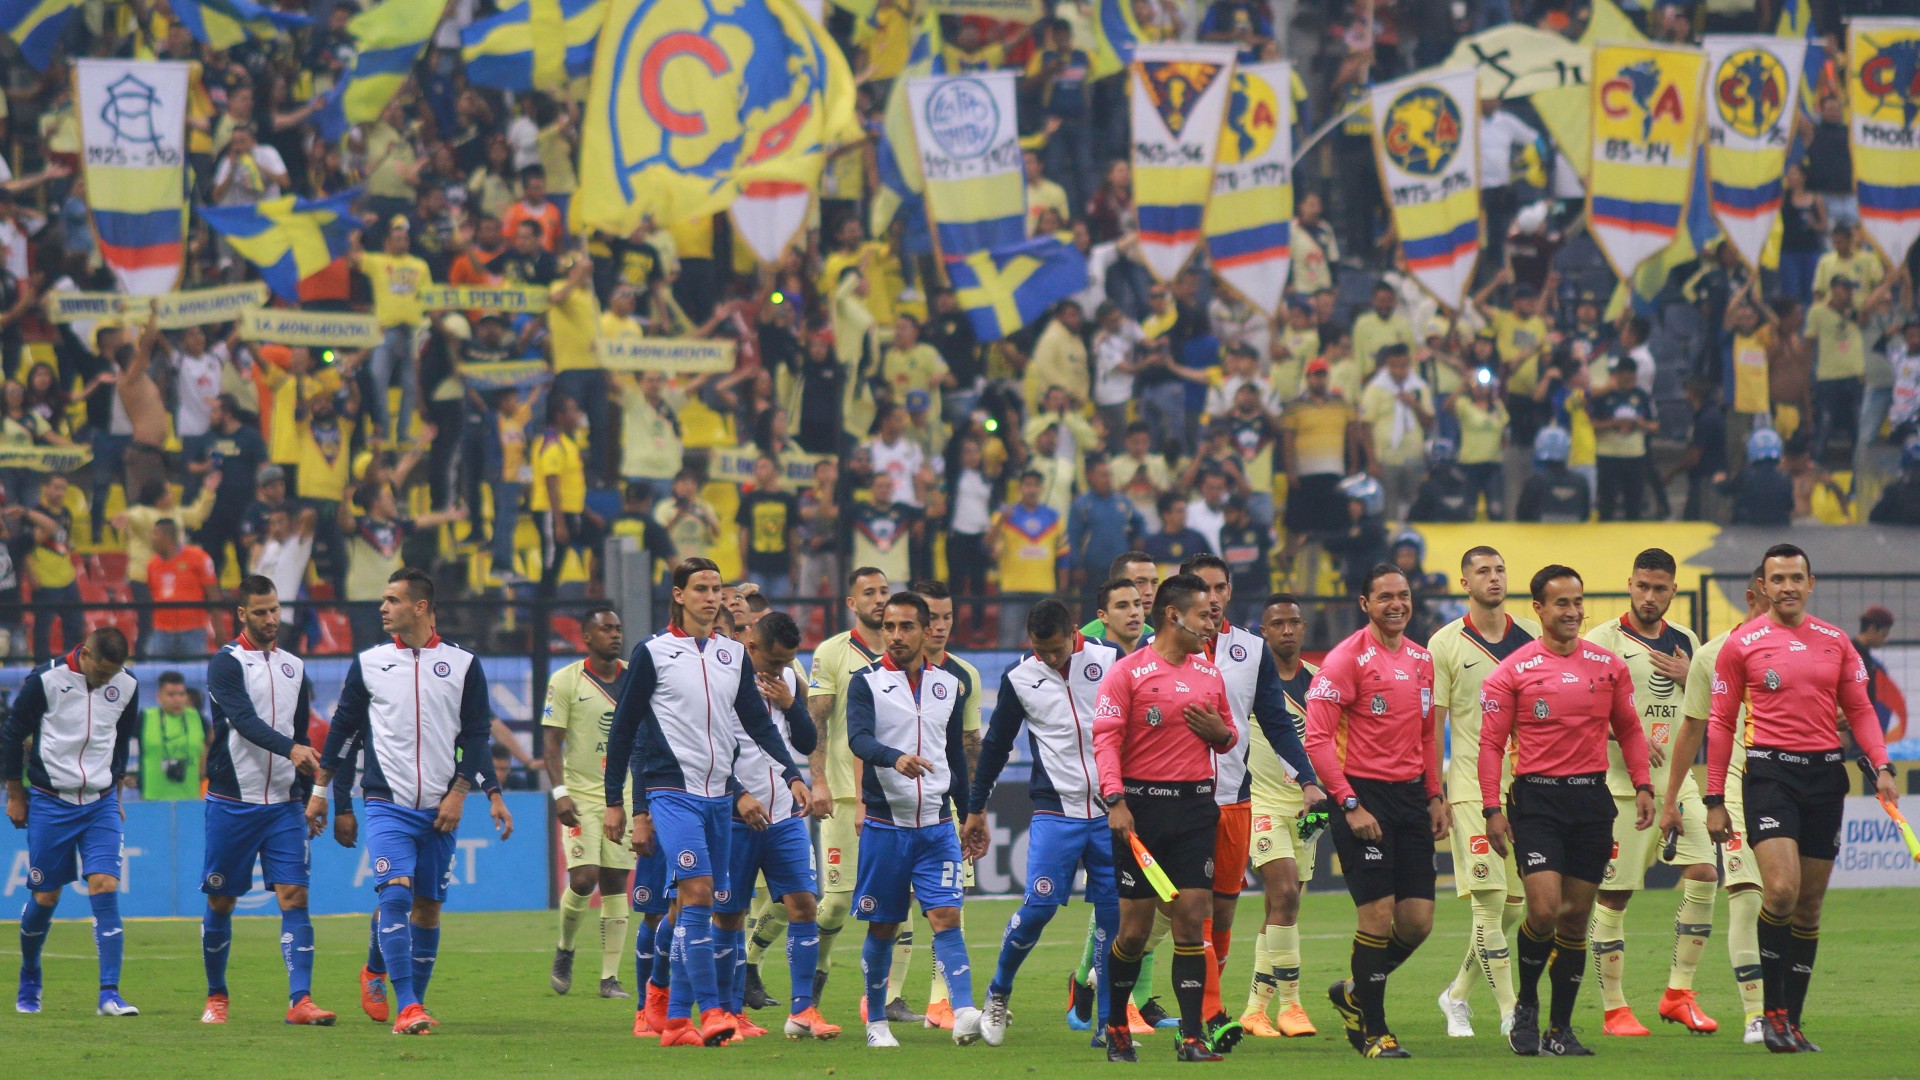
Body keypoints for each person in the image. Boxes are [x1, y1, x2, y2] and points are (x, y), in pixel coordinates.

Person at [602, 557, 808, 1048]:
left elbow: (757, 725)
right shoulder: (652, 653)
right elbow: (624, 731)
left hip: (719, 795)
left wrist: (793, 773)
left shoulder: (730, 656)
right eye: (700, 588)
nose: (711, 597)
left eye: (716, 588)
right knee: (695, 894)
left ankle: (673, 1016)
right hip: (672, 791)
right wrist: (621, 804)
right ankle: (712, 1010)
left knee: (705, 901)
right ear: (678, 594)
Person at [1705, 544, 1896, 1053]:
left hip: (1825, 776)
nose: (1787, 586)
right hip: (1769, 774)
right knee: (1783, 890)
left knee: (1809, 907)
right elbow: (1721, 723)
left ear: (1810, 584)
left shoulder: (1837, 643)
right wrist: (1713, 797)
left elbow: (1860, 710)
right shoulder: (1741, 643)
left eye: (1796, 577)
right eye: (1778, 578)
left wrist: (1882, 766)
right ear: (1763, 587)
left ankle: (1793, 1022)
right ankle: (1771, 1014)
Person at [308, 568, 513, 1035]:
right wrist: (326, 794)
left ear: (420, 607)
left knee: (427, 908)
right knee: (396, 893)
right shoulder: (369, 663)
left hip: (441, 806)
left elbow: (477, 736)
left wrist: (474, 795)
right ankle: (410, 1006)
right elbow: (342, 732)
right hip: (386, 802)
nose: (382, 607)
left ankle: (377, 970)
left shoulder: (463, 665)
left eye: (392, 599)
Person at [1478, 564, 1654, 1057]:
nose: (1573, 611)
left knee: (1576, 918)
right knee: (1543, 908)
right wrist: (1493, 807)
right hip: (1536, 801)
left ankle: (1560, 1029)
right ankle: (1527, 1006)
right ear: (1538, 609)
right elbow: (1491, 746)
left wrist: (1643, 784)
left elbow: (1631, 729)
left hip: (1591, 800)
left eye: (1578, 602)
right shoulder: (1511, 672)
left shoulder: (1608, 665)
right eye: (1562, 603)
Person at [964, 598, 1125, 1047]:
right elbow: (996, 745)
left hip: (1111, 811)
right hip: (1056, 809)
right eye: (1041, 650)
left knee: (1114, 922)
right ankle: (998, 992)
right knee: (1038, 908)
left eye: (1056, 649)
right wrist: (977, 807)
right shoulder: (1020, 676)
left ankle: (1109, 1026)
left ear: (1075, 632)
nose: (1050, 659)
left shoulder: (1110, 659)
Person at [1091, 572, 1238, 1062]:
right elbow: (1106, 740)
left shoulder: (1210, 674)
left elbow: (1228, 736)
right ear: (1175, 616)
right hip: (1143, 809)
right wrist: (1115, 800)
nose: (1212, 616)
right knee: (1132, 932)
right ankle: (1116, 1026)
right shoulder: (1127, 673)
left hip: (1195, 807)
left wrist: (1222, 733)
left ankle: (1191, 1036)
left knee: (1192, 923)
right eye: (1203, 611)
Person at [1177, 554, 1319, 1049]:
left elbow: (1276, 721)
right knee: (1160, 919)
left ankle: (1209, 1012)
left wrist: (1307, 777)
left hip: (1236, 799)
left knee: (1222, 915)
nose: (1213, 599)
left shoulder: (1250, 651)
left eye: (1220, 588)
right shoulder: (1169, 651)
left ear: (1230, 592)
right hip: (1179, 797)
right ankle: (1112, 991)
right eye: (1204, 590)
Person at [1305, 564, 1444, 1060]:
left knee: (1418, 922)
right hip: (1361, 797)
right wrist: (1348, 803)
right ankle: (1375, 1031)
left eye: (1403, 595)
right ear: (1364, 604)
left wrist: (1434, 794)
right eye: (1384, 596)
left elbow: (1428, 735)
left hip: (1410, 798)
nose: (1397, 604)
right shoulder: (1345, 659)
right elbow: (1317, 739)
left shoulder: (1422, 660)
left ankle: (1352, 994)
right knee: (1379, 916)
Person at [1582, 549, 1720, 1036]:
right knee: (1615, 896)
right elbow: (1579, 709)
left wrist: (1693, 677)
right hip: (1619, 789)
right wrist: (1627, 737)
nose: (1649, 596)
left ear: (1672, 591)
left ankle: (1678, 992)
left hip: (1678, 785)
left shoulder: (1687, 642)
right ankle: (1615, 1008)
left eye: (1659, 588)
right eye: (1642, 586)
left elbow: (1702, 711)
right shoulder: (1601, 641)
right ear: (1629, 584)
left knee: (1704, 873)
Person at [846, 591, 983, 1047]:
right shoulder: (865, 682)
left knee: (946, 914)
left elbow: (954, 757)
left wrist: (970, 813)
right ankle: (876, 1023)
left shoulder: (949, 685)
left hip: (937, 825)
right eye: (888, 627)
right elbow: (859, 739)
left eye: (906, 627)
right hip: (887, 826)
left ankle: (963, 1011)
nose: (896, 635)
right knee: (885, 924)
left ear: (927, 631)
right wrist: (894, 758)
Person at [199, 577, 334, 1026]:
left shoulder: (295, 666)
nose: (270, 619)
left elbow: (299, 736)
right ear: (242, 614)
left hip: (282, 805)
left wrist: (307, 797)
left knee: (294, 896)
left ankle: (301, 1000)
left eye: (274, 609)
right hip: (231, 802)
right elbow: (242, 721)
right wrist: (292, 749)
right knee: (222, 902)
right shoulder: (225, 663)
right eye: (260, 612)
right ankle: (217, 996)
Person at [1431, 546, 1539, 1040]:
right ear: (1464, 583)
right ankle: (1511, 1011)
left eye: (1499, 569)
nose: (1494, 578)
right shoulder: (1445, 643)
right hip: (1472, 787)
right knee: (1489, 904)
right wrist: (1436, 792)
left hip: (1526, 788)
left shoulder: (1531, 638)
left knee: (1515, 907)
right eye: (1482, 571)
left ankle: (1455, 996)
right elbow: (1433, 727)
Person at [4, 627, 140, 1016]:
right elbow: (12, 734)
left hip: (99, 803)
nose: (106, 682)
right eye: (101, 674)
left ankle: (109, 994)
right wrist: (15, 794)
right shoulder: (45, 679)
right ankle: (30, 974)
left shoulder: (126, 685)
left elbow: (120, 741)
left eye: (113, 675)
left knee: (105, 883)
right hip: (50, 802)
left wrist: (115, 794)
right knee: (46, 896)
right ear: (85, 653)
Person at [1663, 570, 1771, 1043]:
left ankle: (1783, 1008)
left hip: (1786, 785)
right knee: (1746, 898)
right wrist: (1673, 799)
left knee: (1787, 902)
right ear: (1753, 595)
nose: (1786, 599)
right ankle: (1756, 1015)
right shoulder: (1712, 654)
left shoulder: (1810, 647)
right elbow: (1690, 730)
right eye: (1774, 589)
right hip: (1731, 783)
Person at [721, 611, 837, 1040]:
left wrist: (792, 704)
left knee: (804, 904)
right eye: (774, 662)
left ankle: (803, 1011)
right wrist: (737, 794)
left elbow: (807, 742)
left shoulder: (788, 679)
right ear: (750, 646)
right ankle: (730, 1014)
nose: (780, 670)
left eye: (788, 662)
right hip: (735, 816)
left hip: (786, 814)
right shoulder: (723, 680)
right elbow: (706, 750)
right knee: (729, 916)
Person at [1237, 593, 1331, 1039]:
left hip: (1307, 808)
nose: (1288, 630)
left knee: (1282, 908)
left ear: (1304, 627)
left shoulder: (1319, 682)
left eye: (1294, 622)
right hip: (1261, 804)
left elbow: (1329, 743)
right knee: (1285, 893)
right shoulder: (1251, 682)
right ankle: (1293, 1006)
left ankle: (1255, 1009)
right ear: (1263, 631)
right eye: (1278, 624)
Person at [803, 566, 890, 1020]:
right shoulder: (832, 652)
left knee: (901, 899)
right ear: (852, 604)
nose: (879, 599)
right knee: (837, 899)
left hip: (895, 796)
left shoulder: (905, 650)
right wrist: (817, 778)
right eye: (869, 593)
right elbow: (817, 721)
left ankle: (888, 999)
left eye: (885, 592)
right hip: (841, 794)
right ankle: (813, 978)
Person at [543, 606, 638, 1001]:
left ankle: (609, 978)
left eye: (618, 628)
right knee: (584, 878)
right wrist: (559, 792)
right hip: (581, 793)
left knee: (617, 880)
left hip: (627, 792)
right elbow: (551, 741)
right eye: (605, 629)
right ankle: (565, 948)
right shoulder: (566, 680)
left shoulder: (635, 676)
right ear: (587, 637)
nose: (614, 635)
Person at [1589, 356, 1656, 521]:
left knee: (1633, 505)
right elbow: (1592, 424)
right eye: (1620, 374)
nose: (1624, 378)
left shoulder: (1642, 396)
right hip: (1608, 454)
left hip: (1634, 455)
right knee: (1606, 504)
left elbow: (1655, 425)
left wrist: (1640, 424)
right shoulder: (1604, 396)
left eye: (1627, 374)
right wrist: (1613, 423)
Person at [146, 518, 219, 658]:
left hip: (192, 630)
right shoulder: (152, 564)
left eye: (155, 534)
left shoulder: (198, 557)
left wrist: (219, 631)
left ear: (167, 537)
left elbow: (213, 595)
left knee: (195, 676)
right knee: (157, 675)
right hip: (161, 630)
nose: (152, 539)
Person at [136, 671, 209, 801]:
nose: (177, 699)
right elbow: (119, 742)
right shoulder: (145, 718)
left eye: (181, 694)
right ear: (159, 697)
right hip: (152, 799)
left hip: (190, 799)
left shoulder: (198, 719)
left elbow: (207, 752)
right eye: (171, 694)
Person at [1717, 428, 1795, 526]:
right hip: (1778, 529)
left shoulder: (1745, 476)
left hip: (1746, 529)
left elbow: (1726, 488)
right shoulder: (1785, 479)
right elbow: (1790, 505)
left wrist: (1719, 481)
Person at [1515, 427, 1591, 523]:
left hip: (1538, 537)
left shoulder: (1535, 482)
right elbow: (1585, 516)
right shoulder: (1581, 482)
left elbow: (1522, 517)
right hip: (1572, 536)